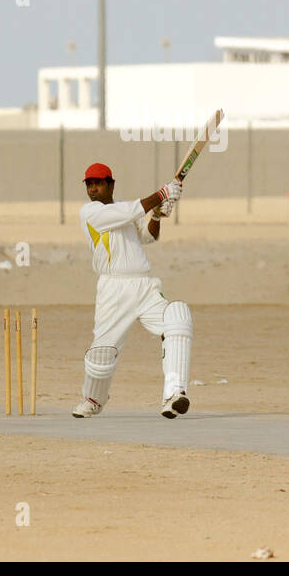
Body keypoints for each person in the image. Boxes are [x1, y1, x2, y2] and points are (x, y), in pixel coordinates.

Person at [73, 162, 193, 419]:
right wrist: (162, 194)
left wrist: (158, 215)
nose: (93, 188)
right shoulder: (90, 212)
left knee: (177, 318)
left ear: (111, 184)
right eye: (89, 184)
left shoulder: (125, 209)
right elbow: (131, 211)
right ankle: (93, 399)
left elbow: (148, 236)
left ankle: (175, 393)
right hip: (113, 289)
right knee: (102, 353)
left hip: (143, 285)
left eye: (99, 183)